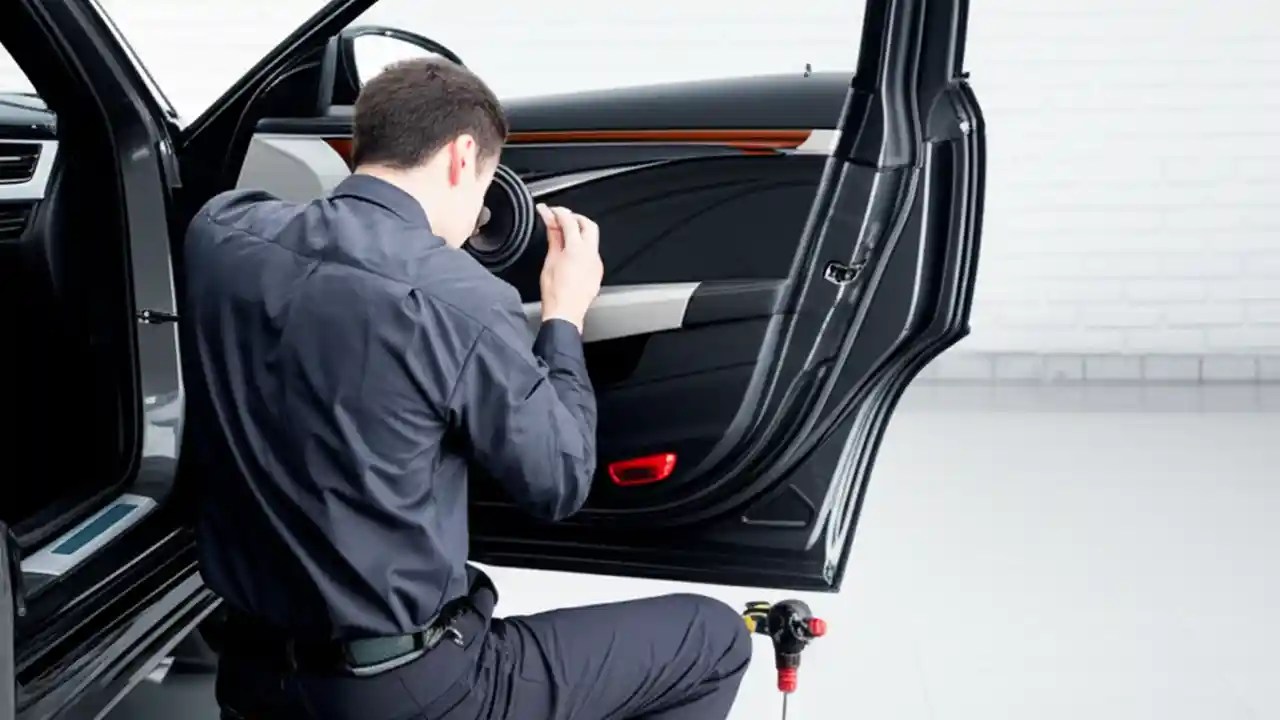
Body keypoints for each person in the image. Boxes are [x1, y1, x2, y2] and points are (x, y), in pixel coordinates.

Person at [180, 57, 752, 720]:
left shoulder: (222, 232)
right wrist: (564, 315)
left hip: (250, 680)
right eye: (484, 187)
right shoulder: (463, 300)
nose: (480, 211)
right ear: (461, 156)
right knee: (709, 640)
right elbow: (558, 481)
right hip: (407, 694)